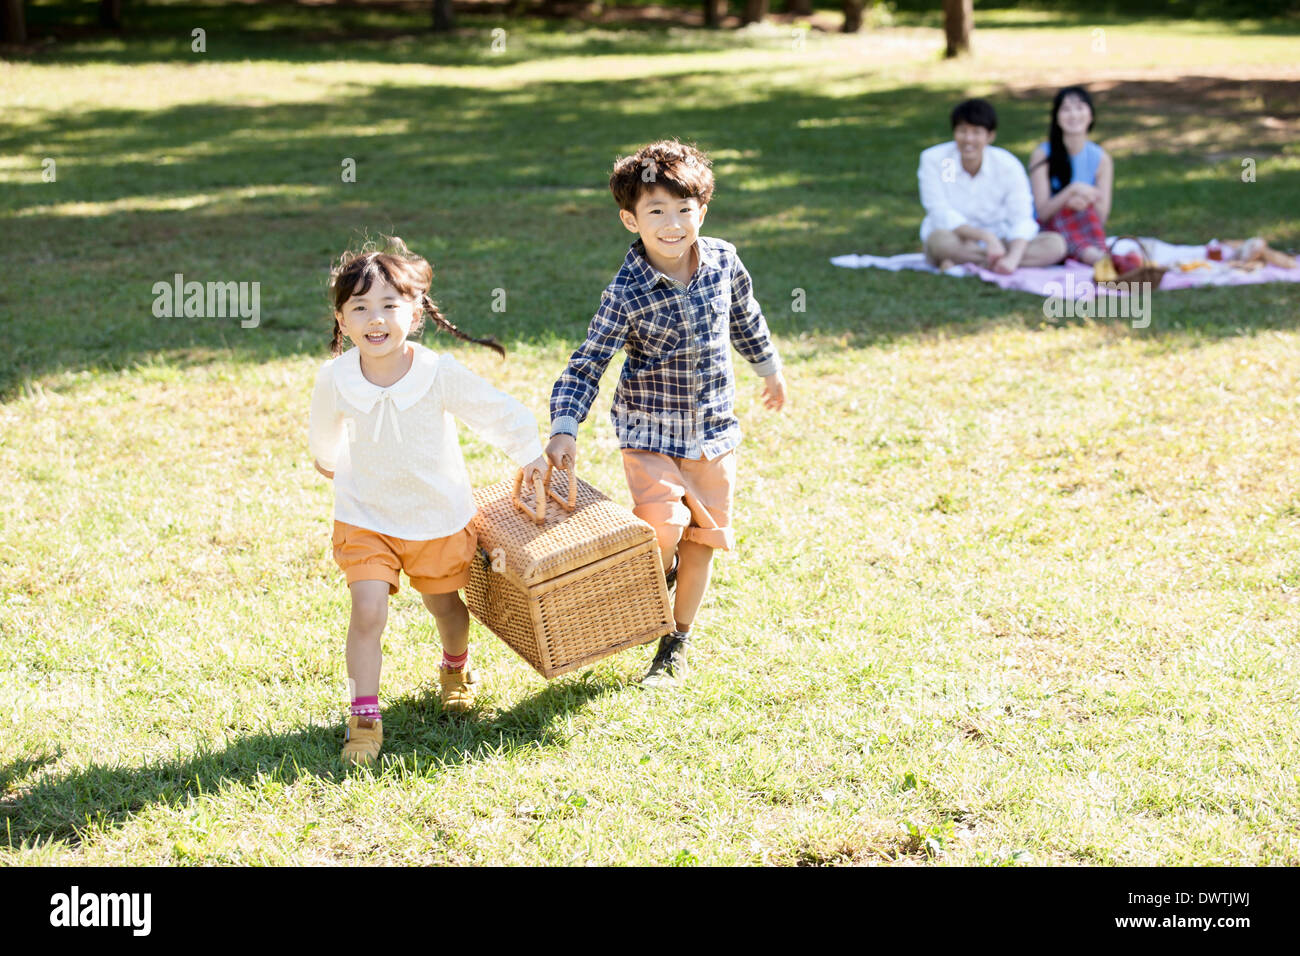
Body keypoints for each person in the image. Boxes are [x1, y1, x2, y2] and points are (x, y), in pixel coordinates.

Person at [544, 140, 787, 690]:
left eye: (685, 209)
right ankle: (651, 573)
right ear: (631, 219)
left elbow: (745, 315)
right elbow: (587, 364)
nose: (673, 223)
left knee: (704, 538)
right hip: (649, 431)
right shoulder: (625, 292)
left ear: (703, 209)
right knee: (664, 524)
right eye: (656, 211)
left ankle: (674, 643)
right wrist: (564, 427)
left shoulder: (723, 259)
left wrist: (768, 367)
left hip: (713, 432)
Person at [310, 238, 547, 765]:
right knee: (367, 611)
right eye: (361, 307)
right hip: (364, 517)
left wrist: (530, 452)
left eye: (390, 305)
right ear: (342, 319)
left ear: (415, 313)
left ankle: (455, 666)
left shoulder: (437, 372)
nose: (376, 319)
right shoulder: (336, 378)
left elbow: (495, 410)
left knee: (446, 607)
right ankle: (364, 719)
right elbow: (322, 432)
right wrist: (326, 458)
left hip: (435, 517)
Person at [919, 98, 1067, 274]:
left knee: (1056, 245)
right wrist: (985, 238)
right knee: (939, 241)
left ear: (990, 136)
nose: (968, 139)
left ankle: (966, 262)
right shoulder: (941, 161)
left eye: (976, 132)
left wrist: (1013, 257)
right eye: (962, 131)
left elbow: (1021, 218)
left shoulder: (1007, 165)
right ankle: (989, 262)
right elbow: (941, 212)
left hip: (1001, 240)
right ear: (954, 132)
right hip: (957, 238)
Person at [1027, 86, 1113, 265]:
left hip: (1084, 227)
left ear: (1090, 115)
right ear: (1057, 117)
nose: (1073, 115)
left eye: (1080, 107)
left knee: (1081, 213)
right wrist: (1072, 192)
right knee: (1065, 216)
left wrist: (1082, 203)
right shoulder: (1043, 154)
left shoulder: (1101, 159)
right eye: (1066, 109)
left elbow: (1101, 216)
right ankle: (1098, 260)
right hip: (1047, 232)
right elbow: (1042, 213)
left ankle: (1094, 256)